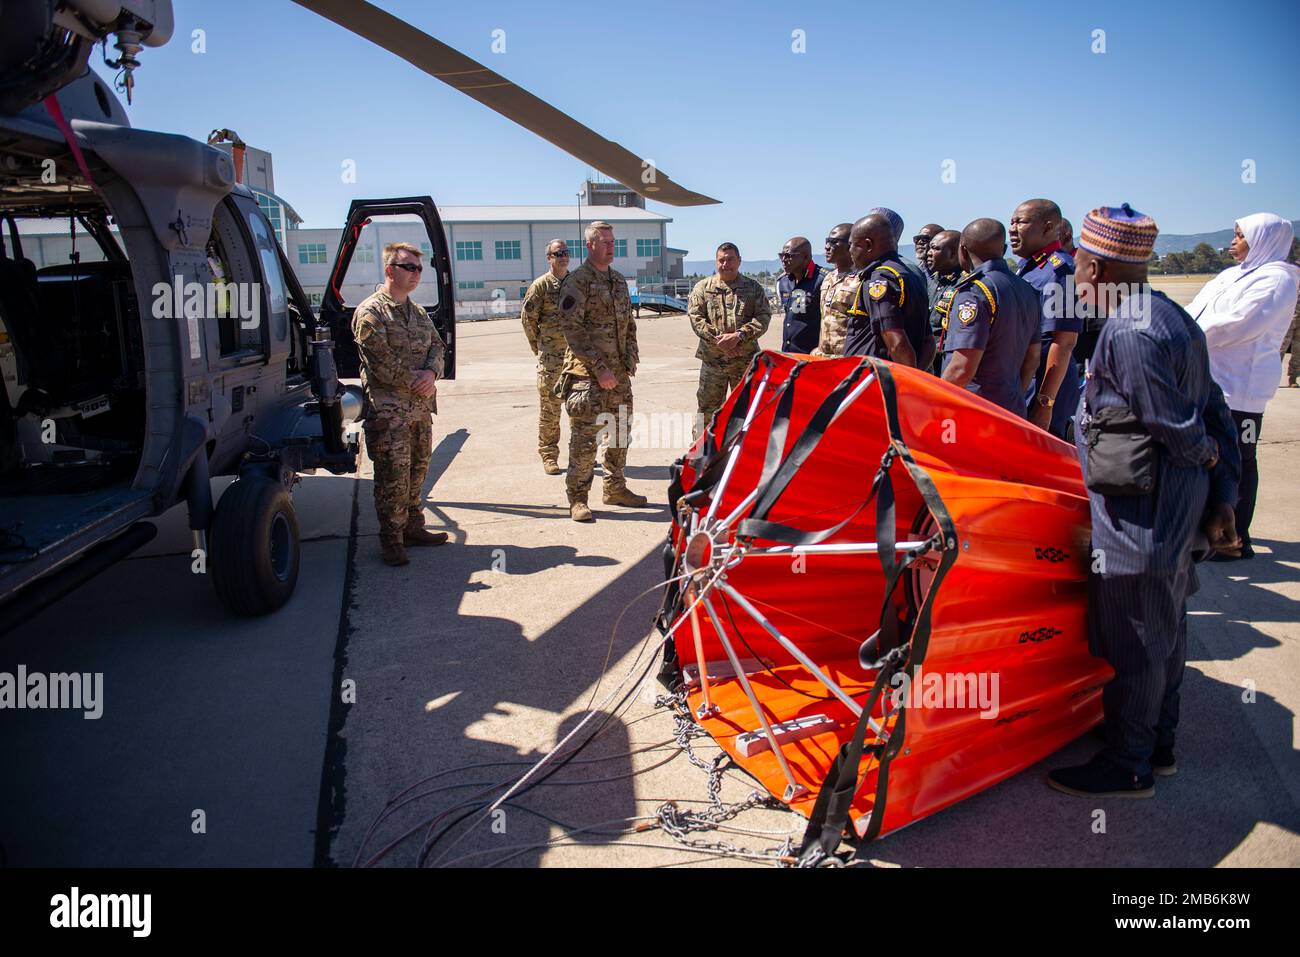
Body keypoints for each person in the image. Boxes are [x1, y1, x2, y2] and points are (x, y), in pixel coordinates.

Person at [1048, 204, 1240, 798]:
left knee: (1133, 635)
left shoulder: (1130, 332)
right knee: (1165, 628)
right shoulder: (1171, 317)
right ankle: (1157, 746)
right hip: (1170, 502)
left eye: (1077, 265)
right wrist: (1221, 491)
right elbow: (1215, 408)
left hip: (1142, 511)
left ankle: (1128, 762)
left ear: (1099, 270)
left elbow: (1179, 427)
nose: (1073, 278)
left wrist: (1206, 460)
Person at [1187, 213, 1300, 560]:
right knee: (1210, 459)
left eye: (1240, 236)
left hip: (1241, 387)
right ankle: (1209, 527)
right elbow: (1195, 310)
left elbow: (1240, 324)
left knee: (1238, 461)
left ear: (1263, 239)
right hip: (1210, 379)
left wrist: (1184, 335)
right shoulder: (1231, 275)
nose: (1232, 242)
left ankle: (1236, 540)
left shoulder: (1279, 278)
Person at [353, 242, 450, 566]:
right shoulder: (371, 312)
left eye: (419, 268)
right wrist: (417, 379)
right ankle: (391, 540)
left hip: (420, 410)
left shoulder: (417, 312)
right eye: (409, 267)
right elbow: (380, 363)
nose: (416, 274)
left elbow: (438, 346)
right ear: (390, 270)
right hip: (390, 413)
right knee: (393, 477)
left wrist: (432, 372)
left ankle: (413, 527)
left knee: (418, 470)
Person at [557, 221, 648, 522]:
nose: (611, 246)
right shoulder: (578, 281)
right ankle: (578, 499)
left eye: (612, 241)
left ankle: (615, 488)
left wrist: (631, 356)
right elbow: (573, 329)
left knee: (620, 433)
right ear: (590, 245)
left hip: (619, 374)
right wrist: (599, 369)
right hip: (587, 377)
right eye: (605, 242)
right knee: (585, 439)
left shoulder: (619, 281)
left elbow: (629, 325)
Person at [939, 219, 1040, 414]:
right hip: (1011, 408)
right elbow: (1033, 358)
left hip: (974, 410)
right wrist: (1015, 394)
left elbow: (961, 369)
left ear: (963, 250)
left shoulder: (974, 292)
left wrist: (933, 405)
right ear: (1003, 250)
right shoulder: (1026, 289)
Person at [1010, 198, 1081, 439]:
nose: (1012, 228)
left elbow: (1064, 341)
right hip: (1027, 381)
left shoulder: (1060, 271)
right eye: (1011, 222)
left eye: (1021, 222)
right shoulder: (1027, 266)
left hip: (1048, 386)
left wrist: (1045, 403)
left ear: (1049, 228)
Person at [688, 242, 772, 440]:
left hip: (744, 363)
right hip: (712, 363)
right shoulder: (703, 288)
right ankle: (701, 456)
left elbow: (763, 316)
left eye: (731, 259)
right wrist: (722, 342)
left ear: (739, 261)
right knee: (707, 411)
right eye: (722, 260)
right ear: (716, 262)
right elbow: (695, 318)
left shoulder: (753, 288)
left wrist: (739, 336)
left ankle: (744, 455)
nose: (726, 264)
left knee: (746, 410)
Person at [842, 212, 932, 366]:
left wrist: (907, 383)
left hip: (876, 381)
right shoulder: (910, 274)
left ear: (868, 245)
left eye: (851, 245)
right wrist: (919, 375)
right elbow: (928, 343)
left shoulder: (879, 278)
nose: (849, 250)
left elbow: (896, 343)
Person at [521, 239, 571, 475]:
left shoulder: (576, 283)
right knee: (550, 410)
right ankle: (549, 455)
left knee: (580, 408)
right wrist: (539, 347)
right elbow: (528, 320)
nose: (562, 256)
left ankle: (581, 455)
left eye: (565, 252)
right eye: (557, 253)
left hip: (576, 359)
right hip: (551, 360)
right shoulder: (540, 286)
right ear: (549, 258)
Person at [813, 223, 858, 357]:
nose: (827, 247)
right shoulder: (828, 277)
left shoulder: (861, 278)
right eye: (827, 241)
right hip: (823, 357)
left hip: (847, 359)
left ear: (850, 246)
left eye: (833, 242)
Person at [776, 236, 825, 353]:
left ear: (806, 257)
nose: (783, 259)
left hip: (812, 355)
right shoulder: (782, 282)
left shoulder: (823, 281)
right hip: (788, 354)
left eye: (789, 256)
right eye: (781, 255)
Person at [925, 229, 963, 368]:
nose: (929, 253)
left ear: (953, 254)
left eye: (935, 248)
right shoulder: (930, 281)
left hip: (946, 361)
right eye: (930, 248)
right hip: (926, 360)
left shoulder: (964, 285)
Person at [1282, 296, 1300, 388]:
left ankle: (1293, 378)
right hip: (1288, 321)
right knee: (1280, 349)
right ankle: (1269, 376)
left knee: (1298, 352)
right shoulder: (1293, 284)